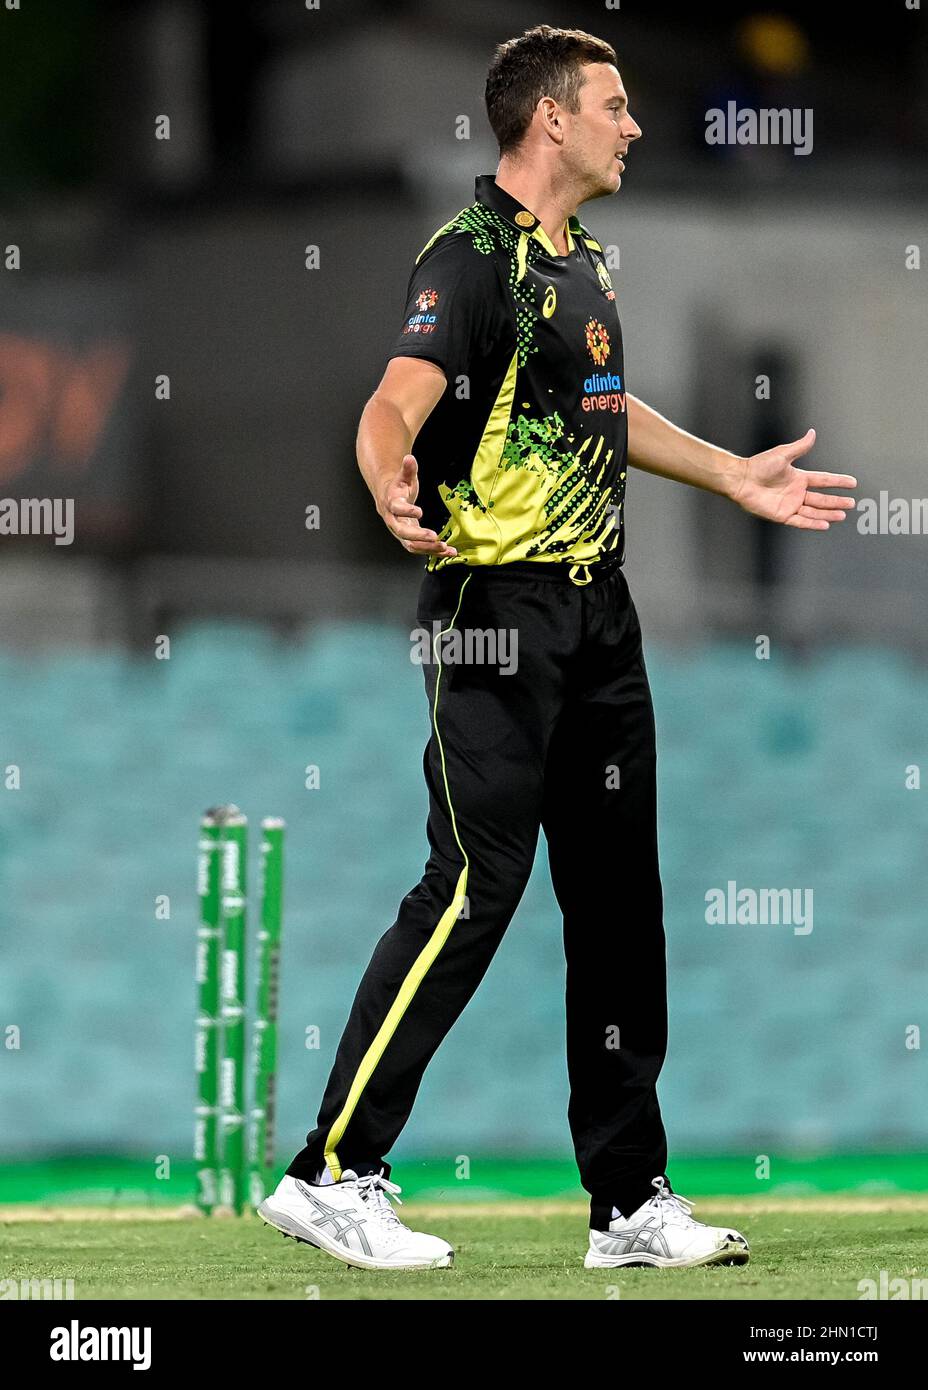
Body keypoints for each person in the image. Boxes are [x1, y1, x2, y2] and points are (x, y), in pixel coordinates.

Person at [258, 24, 855, 1271]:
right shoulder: (467, 259)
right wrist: (384, 478)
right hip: (495, 619)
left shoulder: (583, 262)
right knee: (474, 883)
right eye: (615, 105)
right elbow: (391, 403)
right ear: (550, 123)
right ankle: (329, 1171)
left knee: (618, 903)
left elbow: (597, 408)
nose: (635, 125)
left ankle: (628, 1203)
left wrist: (729, 474)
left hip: (598, 618)